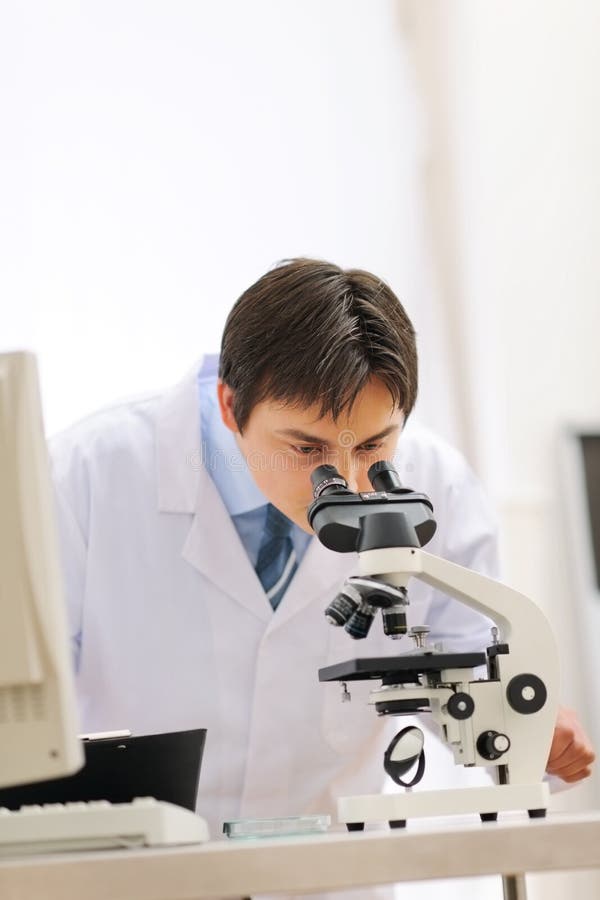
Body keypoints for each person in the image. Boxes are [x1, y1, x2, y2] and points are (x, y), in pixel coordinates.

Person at [51, 258, 594, 899]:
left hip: (331, 881)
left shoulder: (437, 483)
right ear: (230, 405)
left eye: (373, 447)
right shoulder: (86, 476)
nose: (347, 482)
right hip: (136, 880)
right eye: (307, 450)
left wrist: (530, 735)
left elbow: (475, 676)